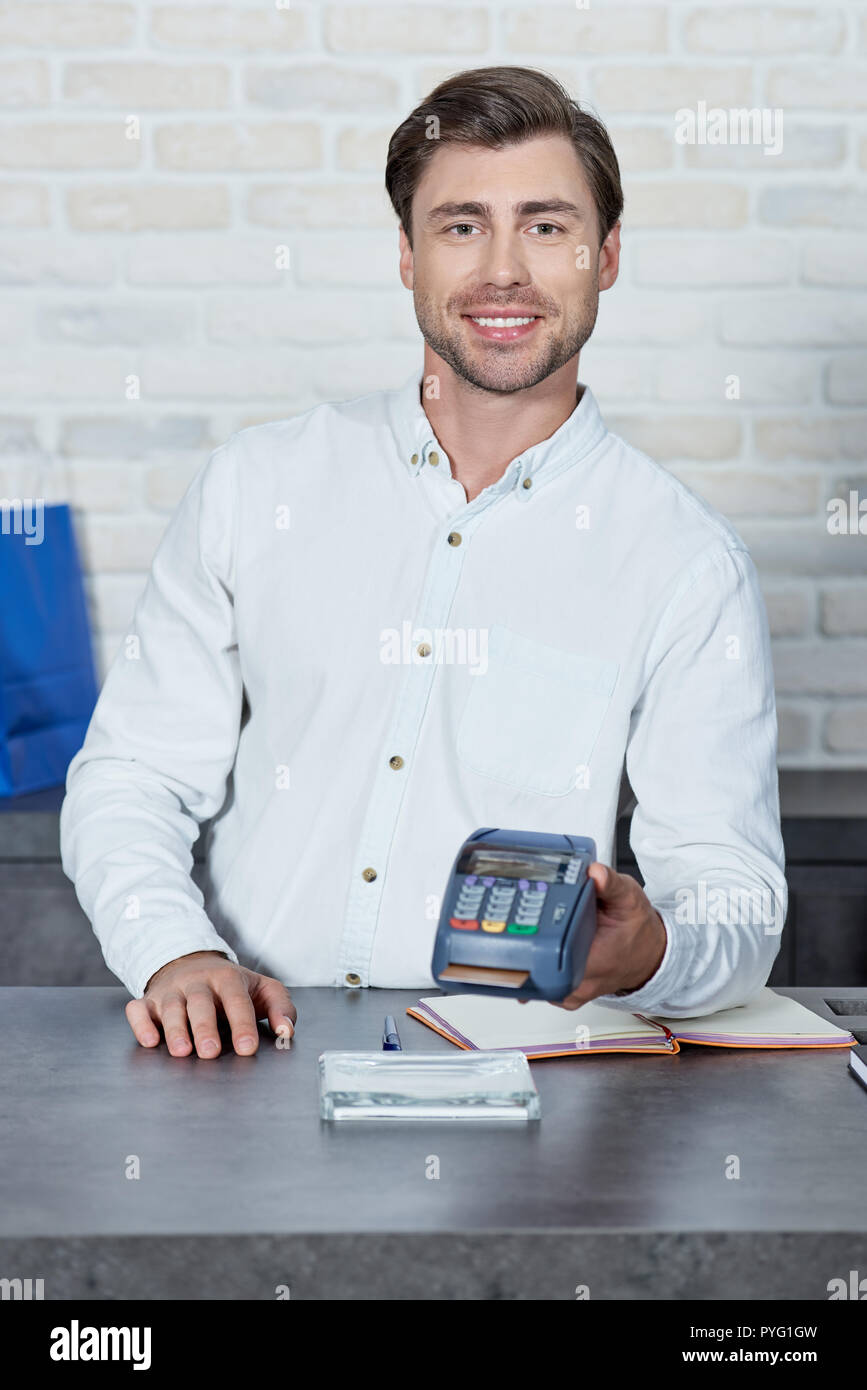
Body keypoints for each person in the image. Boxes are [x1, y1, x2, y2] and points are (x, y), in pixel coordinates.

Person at [60, 66, 787, 1059]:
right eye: (460, 226)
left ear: (606, 253)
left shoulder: (685, 561)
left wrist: (652, 947)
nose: (502, 270)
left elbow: (734, 896)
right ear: (407, 254)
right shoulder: (255, 484)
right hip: (239, 1057)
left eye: (544, 225)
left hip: (512, 1074)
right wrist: (173, 953)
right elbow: (132, 775)